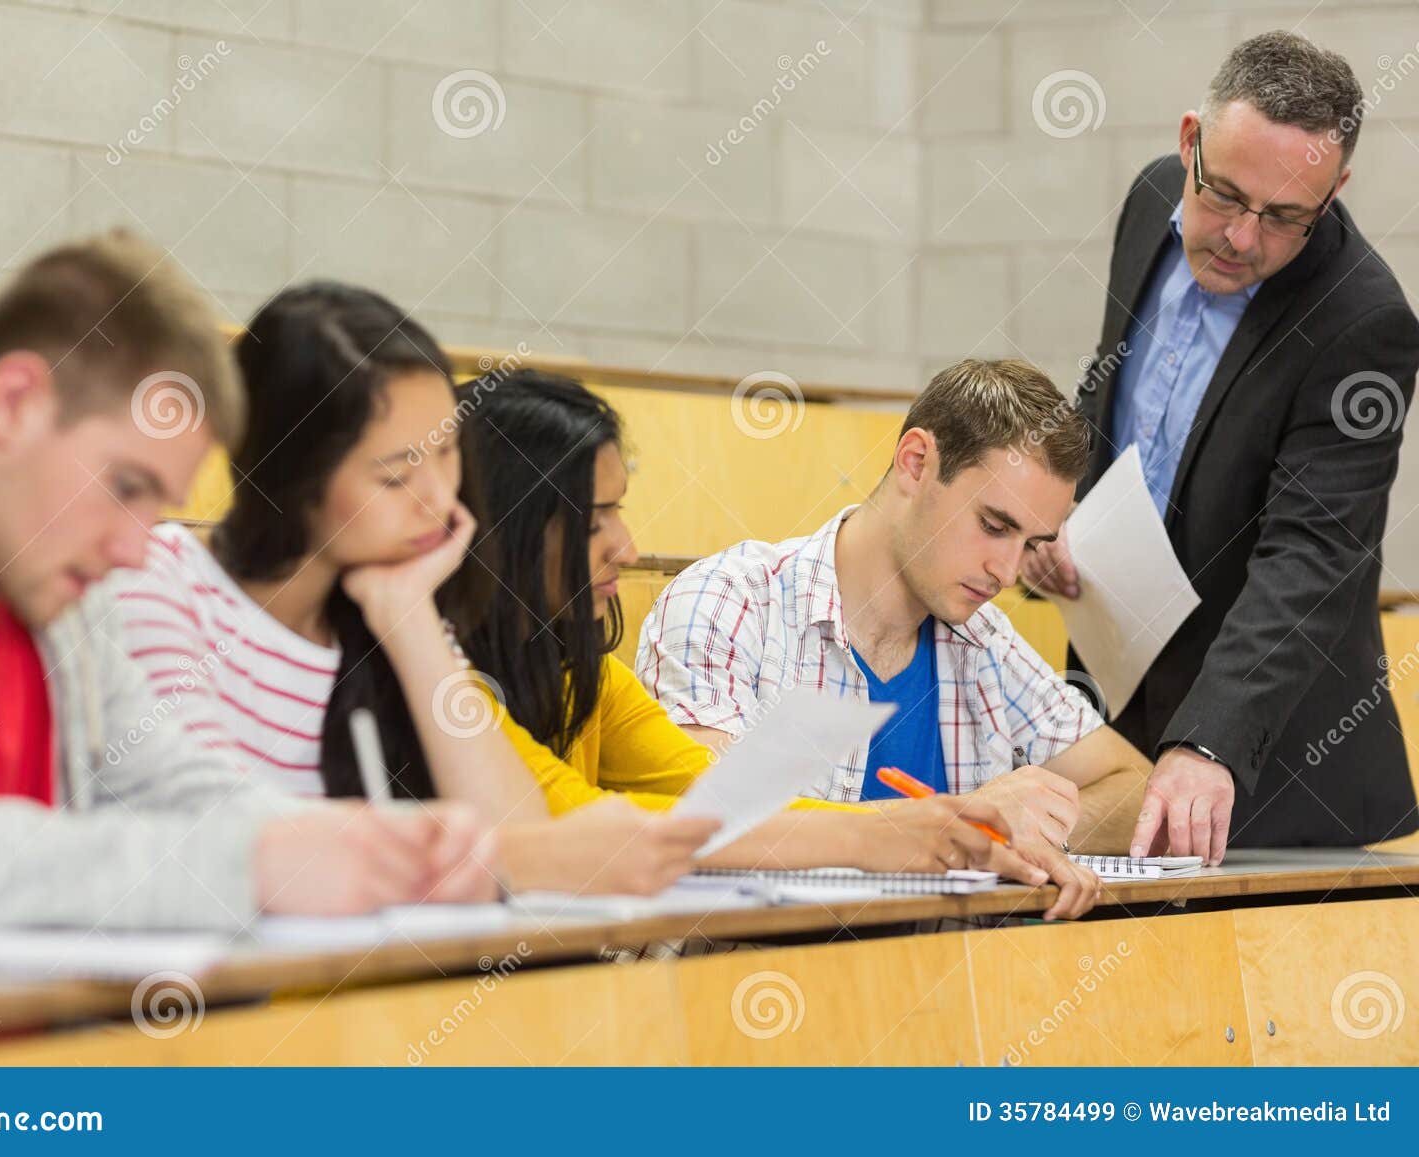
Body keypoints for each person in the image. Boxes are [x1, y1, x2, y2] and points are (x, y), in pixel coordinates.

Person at [0, 234, 497, 929]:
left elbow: (187, 789)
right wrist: (249, 864)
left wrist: (376, 848)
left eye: (156, 507)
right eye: (124, 486)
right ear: (13, 403)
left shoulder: (69, 618)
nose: (136, 550)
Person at [111, 282, 721, 897]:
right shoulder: (160, 587)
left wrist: (410, 622)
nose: (440, 499)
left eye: (448, 453)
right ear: (293, 480)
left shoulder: (397, 607)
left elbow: (520, 831)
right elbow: (225, 842)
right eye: (397, 476)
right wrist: (509, 862)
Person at [459, 369, 1098, 918]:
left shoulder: (591, 680)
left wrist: (948, 828)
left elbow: (725, 810)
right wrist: (923, 829)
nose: (626, 548)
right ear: (506, 526)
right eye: (595, 519)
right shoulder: (445, 687)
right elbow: (582, 830)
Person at [1023, 32, 1419, 861]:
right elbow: (1111, 389)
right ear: (1189, 140)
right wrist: (1051, 518)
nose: (1241, 238)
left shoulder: (1364, 325)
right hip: (1116, 701)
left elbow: (1313, 557)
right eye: (1226, 197)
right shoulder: (1151, 201)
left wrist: (1210, 741)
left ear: (1336, 189)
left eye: (1283, 217)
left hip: (1277, 767)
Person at [640, 358, 1152, 872]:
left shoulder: (986, 641)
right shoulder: (728, 601)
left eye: (1032, 544)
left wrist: (1017, 832)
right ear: (915, 462)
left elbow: (1139, 790)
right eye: (994, 526)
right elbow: (706, 823)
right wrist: (963, 828)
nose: (1008, 571)